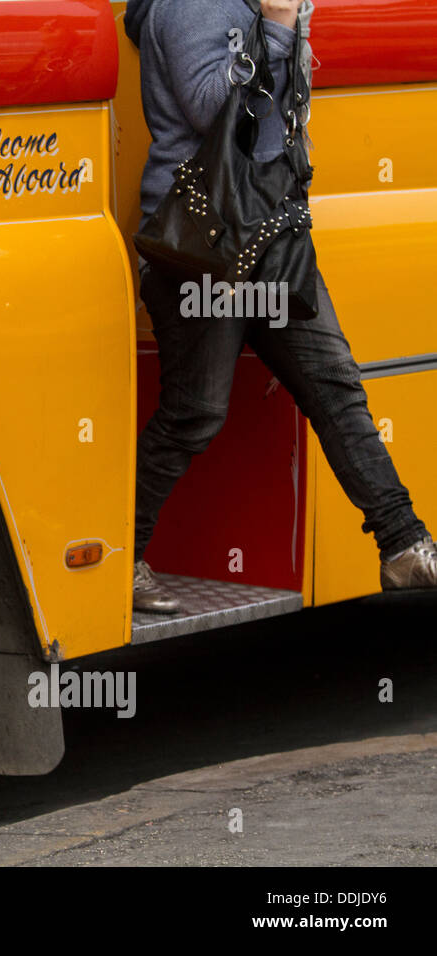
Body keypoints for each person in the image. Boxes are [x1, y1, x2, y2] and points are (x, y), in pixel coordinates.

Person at [125, 0, 437, 613]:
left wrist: (289, 33)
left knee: (335, 386)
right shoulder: (189, 5)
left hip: (272, 234)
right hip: (203, 243)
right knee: (196, 412)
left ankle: (404, 545)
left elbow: (283, 113)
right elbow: (221, 112)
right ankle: (121, 552)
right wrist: (277, 27)